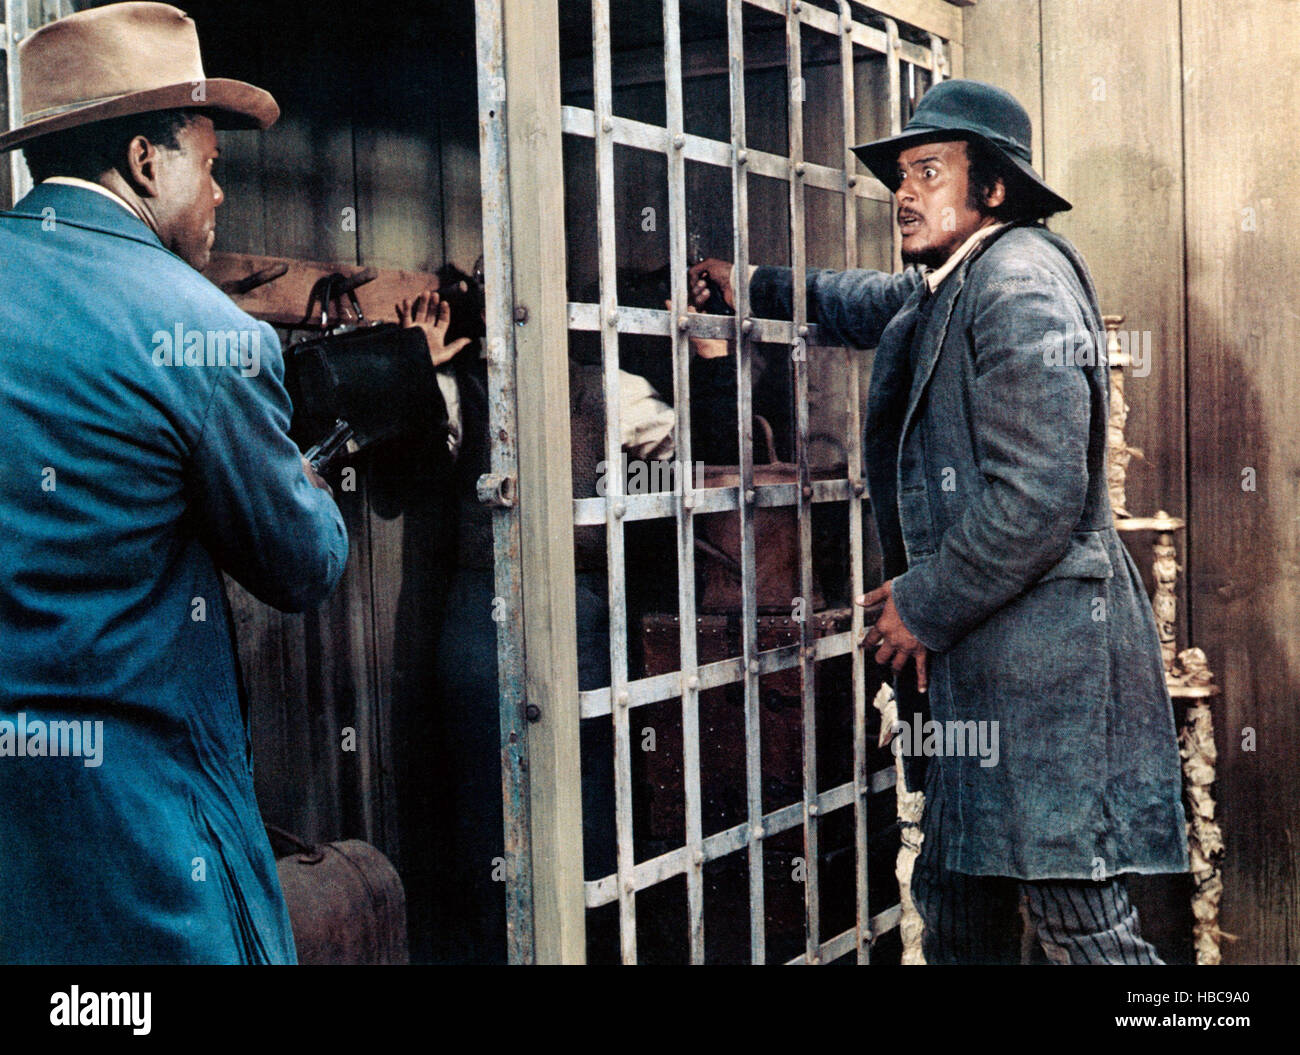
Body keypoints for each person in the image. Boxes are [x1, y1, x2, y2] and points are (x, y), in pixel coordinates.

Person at [688, 79, 1188, 964]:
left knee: (1084, 931)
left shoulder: (1018, 283)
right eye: (900, 176)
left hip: (1040, 679)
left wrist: (923, 602)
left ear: (992, 187)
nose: (903, 194)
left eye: (928, 170)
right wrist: (754, 285)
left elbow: (1038, 496)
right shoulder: (956, 279)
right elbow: (865, 301)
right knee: (959, 918)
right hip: (981, 678)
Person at [0, 2, 347, 963]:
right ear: (148, 164)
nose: (221, 194)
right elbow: (300, 564)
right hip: (145, 857)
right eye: (213, 163)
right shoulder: (205, 337)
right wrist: (312, 470)